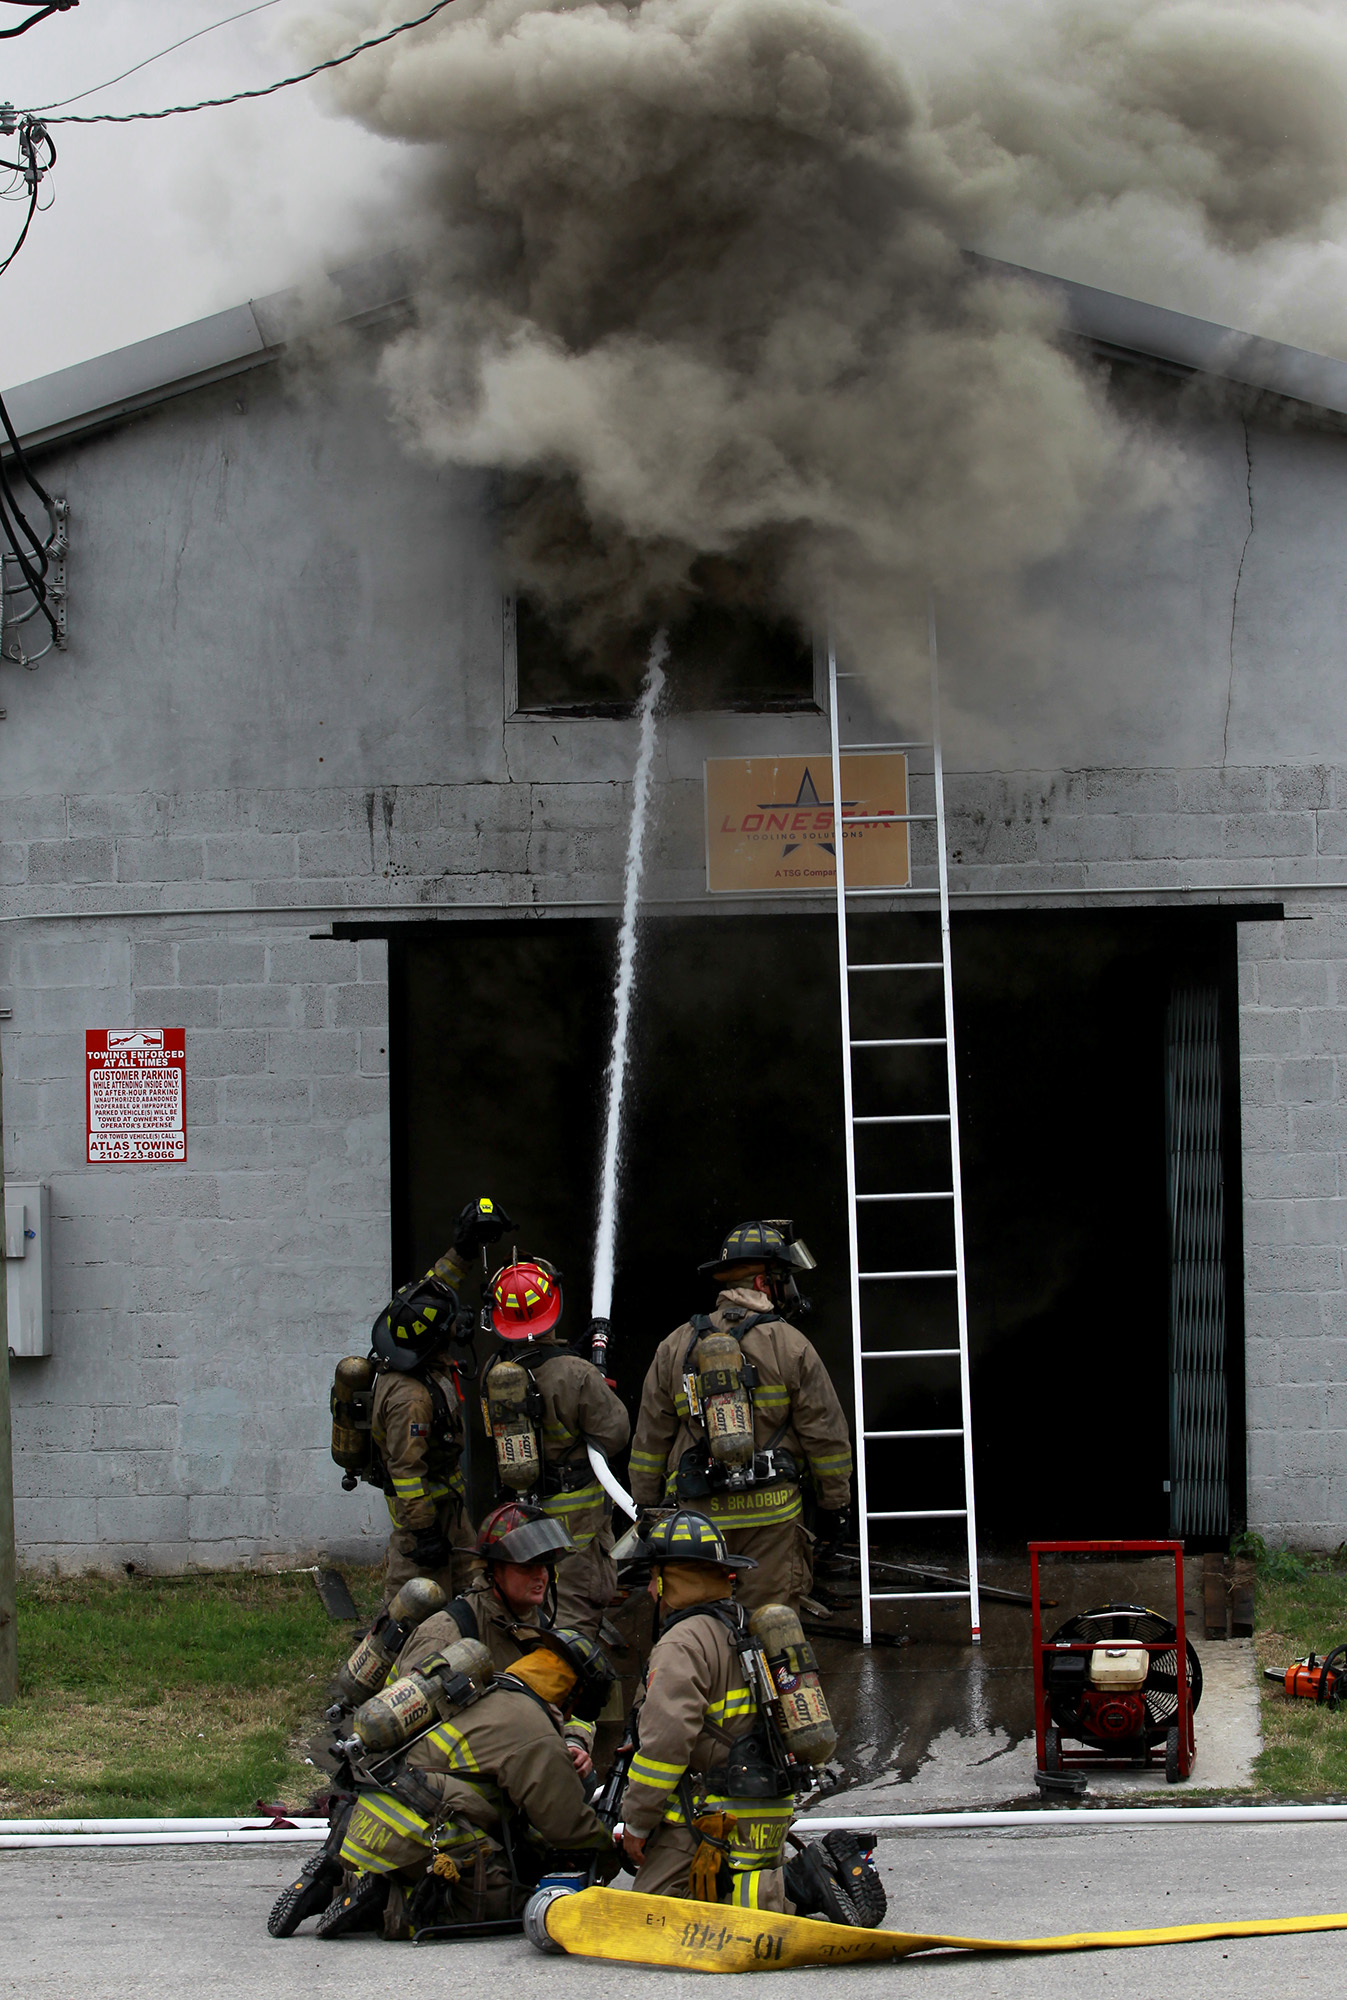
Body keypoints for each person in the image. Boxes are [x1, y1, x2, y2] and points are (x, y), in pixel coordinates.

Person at [315, 1627, 620, 1940]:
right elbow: (564, 1824)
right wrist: (608, 1851)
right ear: (569, 1694)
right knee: (511, 1901)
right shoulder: (536, 1732)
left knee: (527, 1849)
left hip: (371, 1817)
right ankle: (390, 1905)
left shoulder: (479, 1689)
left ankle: (340, 1882)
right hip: (419, 1833)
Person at [628, 1221, 853, 1611]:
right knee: (772, 1623)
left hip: (697, 1521)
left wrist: (647, 1506)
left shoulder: (675, 1345)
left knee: (694, 1621)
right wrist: (836, 1506)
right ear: (764, 1283)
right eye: (783, 1279)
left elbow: (650, 1438)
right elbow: (826, 1435)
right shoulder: (791, 1345)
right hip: (773, 1515)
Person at [617, 1508, 794, 1911]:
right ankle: (800, 1882)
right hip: (769, 1808)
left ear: (667, 1580)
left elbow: (665, 1746)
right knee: (734, 1896)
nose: (648, 1591)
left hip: (717, 1812)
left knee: (651, 1909)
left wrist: (638, 1823)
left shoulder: (683, 1642)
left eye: (651, 1578)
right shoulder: (745, 1624)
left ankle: (800, 1887)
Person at [371, 1198, 511, 1604]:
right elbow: (406, 1471)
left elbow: (435, 1289)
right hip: (426, 1519)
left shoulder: (413, 1334)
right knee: (411, 1604)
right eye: (450, 1326)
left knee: (475, 1590)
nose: (458, 1325)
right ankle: (384, 1661)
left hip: (449, 1510)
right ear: (433, 1341)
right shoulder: (411, 1399)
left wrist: (465, 1249)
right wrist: (424, 1532)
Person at [480, 1256, 630, 1635]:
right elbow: (615, 1433)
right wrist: (589, 1376)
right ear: (553, 1305)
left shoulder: (493, 1372)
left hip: (520, 1519)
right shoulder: (575, 1374)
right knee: (573, 1621)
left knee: (529, 1615)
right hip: (575, 1531)